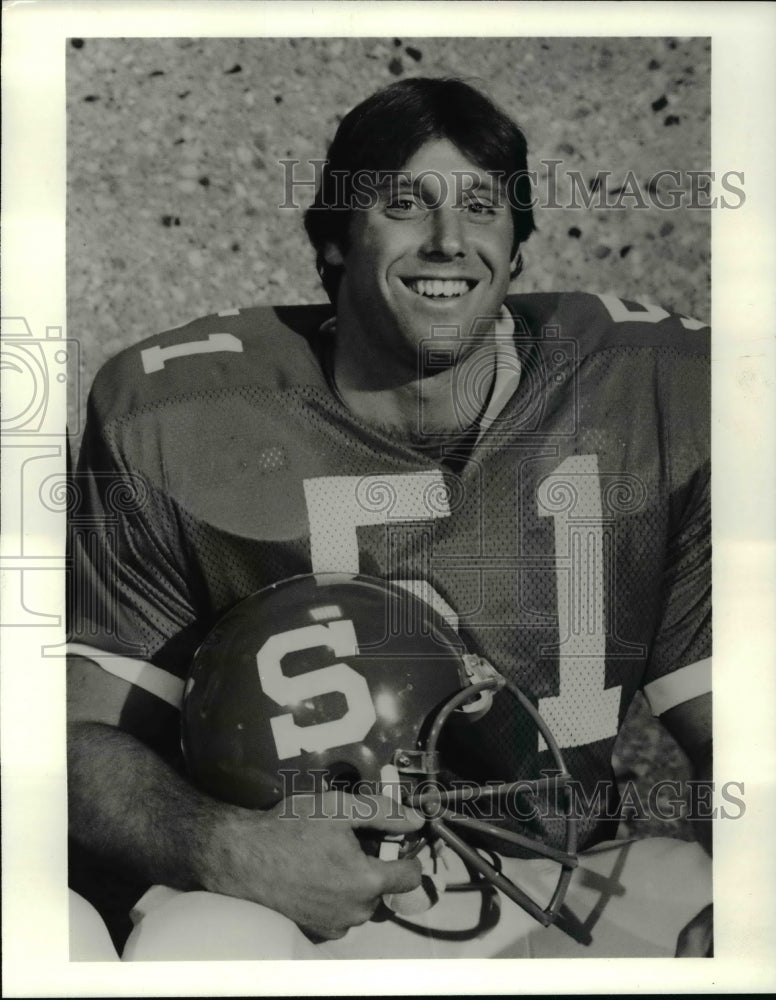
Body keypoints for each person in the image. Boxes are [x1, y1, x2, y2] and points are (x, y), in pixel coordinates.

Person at [67, 77, 712, 960]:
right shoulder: (180, 414)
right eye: (405, 206)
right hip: (299, 898)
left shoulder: (651, 387)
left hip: (567, 871)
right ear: (331, 242)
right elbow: (71, 745)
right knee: (206, 941)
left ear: (519, 246)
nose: (449, 241)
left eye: (481, 206)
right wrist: (223, 846)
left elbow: (741, 732)